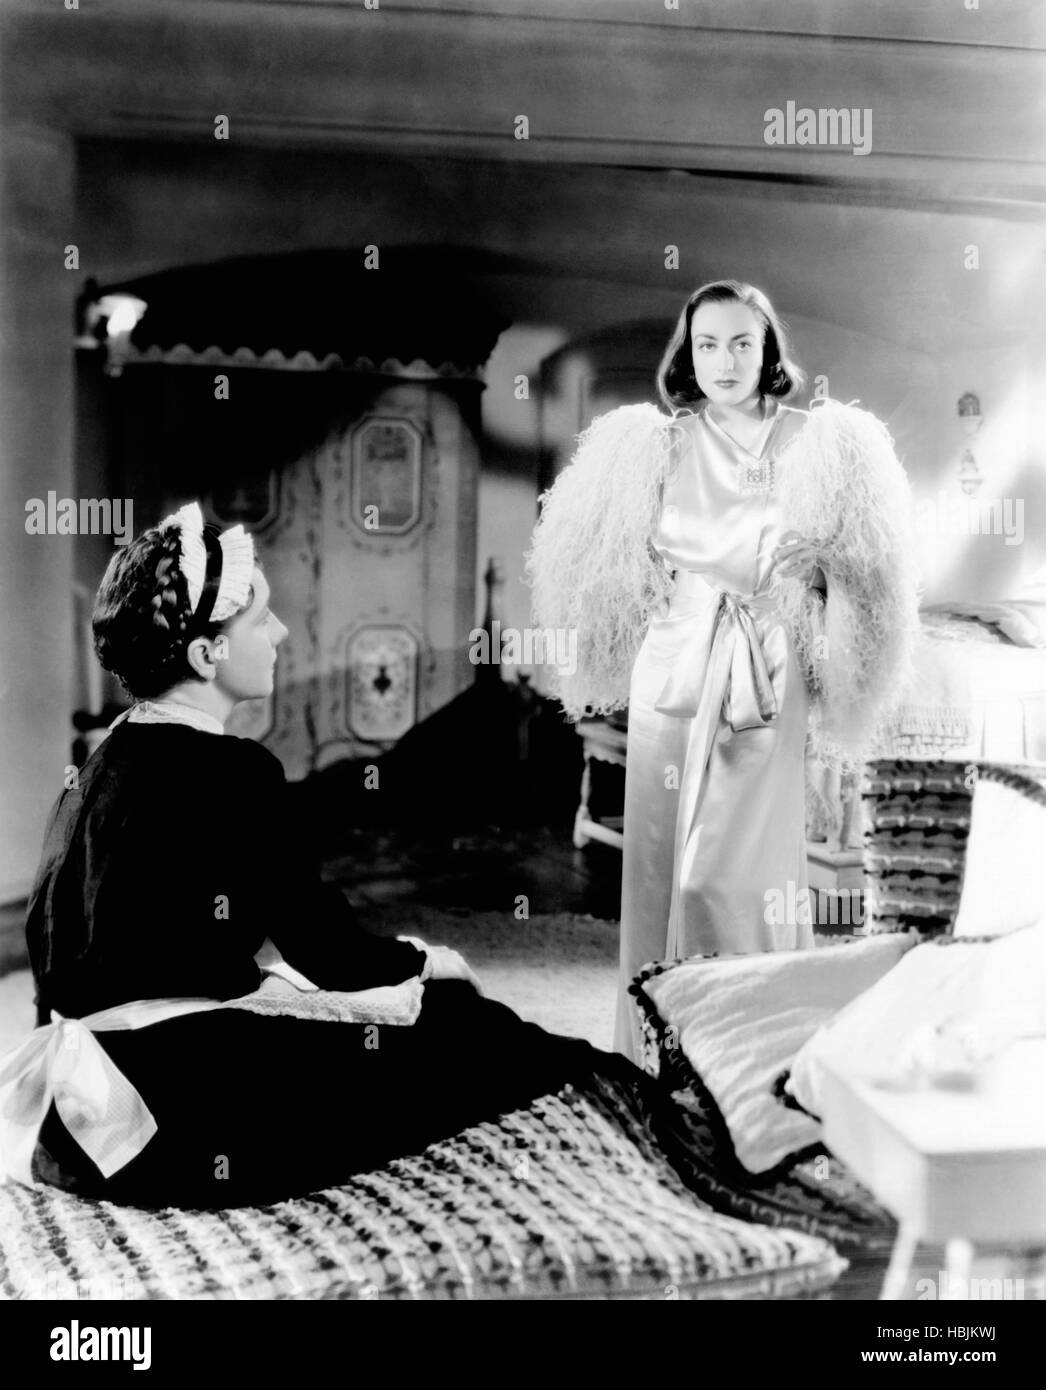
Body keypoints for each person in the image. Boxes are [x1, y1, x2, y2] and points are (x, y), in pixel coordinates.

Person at [6, 503, 638, 1210]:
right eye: (260, 620)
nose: (278, 634)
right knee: (457, 1024)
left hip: (80, 1131)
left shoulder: (100, 763)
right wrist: (425, 961)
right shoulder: (236, 769)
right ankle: (625, 1093)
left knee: (362, 1019)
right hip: (181, 1116)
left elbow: (58, 958)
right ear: (206, 655)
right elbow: (325, 954)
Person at [526, 280, 920, 1061]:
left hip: (766, 670)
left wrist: (818, 573)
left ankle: (739, 1047)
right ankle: (654, 1046)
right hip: (673, 663)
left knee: (728, 875)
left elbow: (868, 567)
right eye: (707, 344)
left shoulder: (821, 440)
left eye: (743, 342)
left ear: (769, 349)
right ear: (688, 354)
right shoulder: (653, 444)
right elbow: (607, 565)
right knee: (657, 862)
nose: (725, 360)